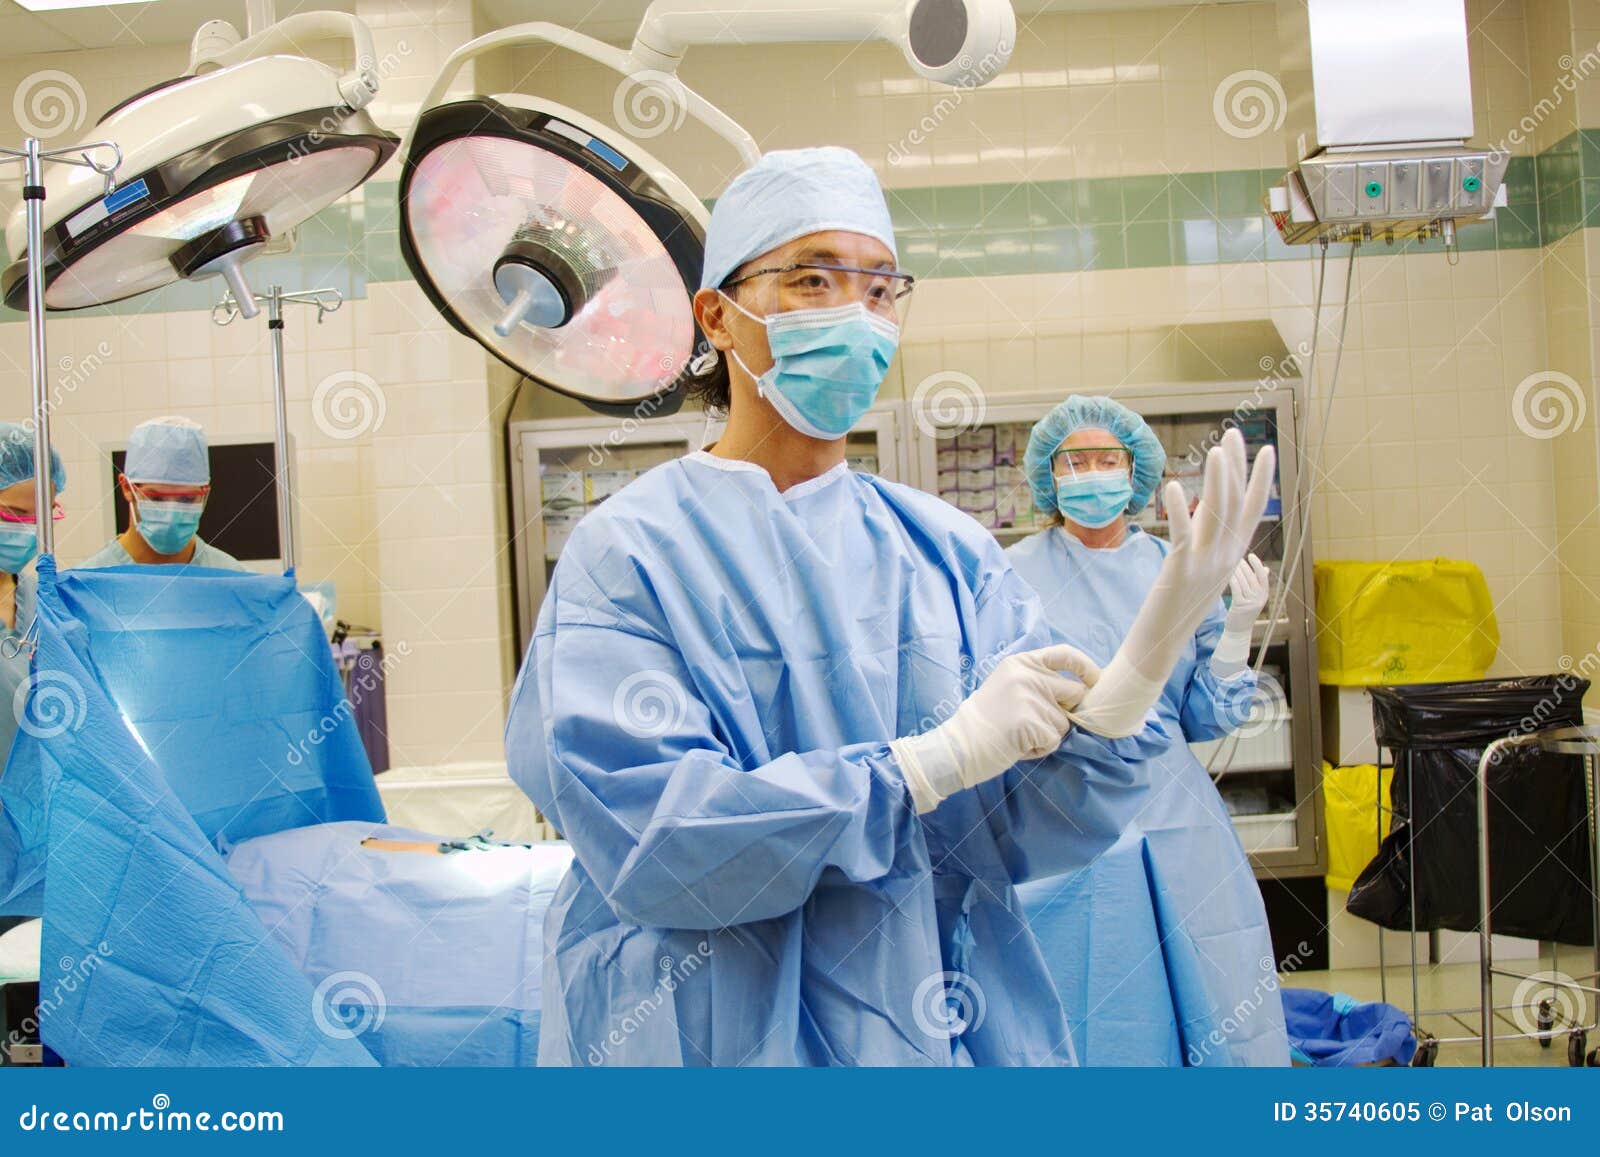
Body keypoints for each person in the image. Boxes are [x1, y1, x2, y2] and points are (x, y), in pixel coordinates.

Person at [505, 146, 1274, 1067]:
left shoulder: (943, 552)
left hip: (924, 1022)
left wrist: (1145, 664)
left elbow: (1025, 820)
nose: (857, 318)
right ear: (717, 314)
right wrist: (920, 766)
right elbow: (653, 840)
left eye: (879, 290)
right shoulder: (629, 551)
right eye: (814, 280)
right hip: (701, 1028)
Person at [1005, 395, 1288, 1065]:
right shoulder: (1009, 574)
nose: (1092, 472)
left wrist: (1239, 629)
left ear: (1135, 473)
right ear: (1050, 474)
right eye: (1076, 460)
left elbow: (1207, 715)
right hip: (1059, 816)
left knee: (1213, 992)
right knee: (1084, 1005)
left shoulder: (1178, 564)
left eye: (1109, 458)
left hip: (1175, 817)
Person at [82, 416, 244, 571]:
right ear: (126, 488)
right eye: (156, 498)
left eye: (187, 499)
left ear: (204, 494)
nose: (170, 515)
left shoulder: (235, 579)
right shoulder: (85, 584)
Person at [0, 423, 66, 763]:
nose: (28, 529)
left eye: (42, 516)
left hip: (33, 807)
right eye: (14, 514)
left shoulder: (42, 599)